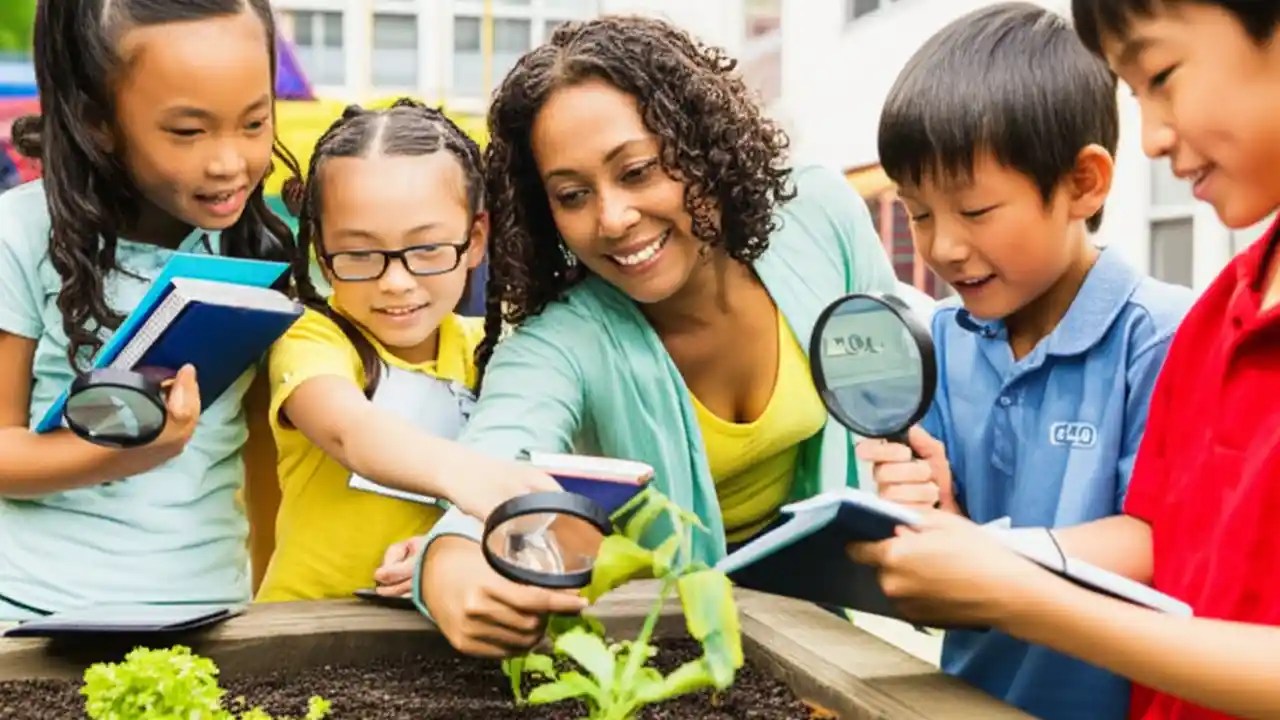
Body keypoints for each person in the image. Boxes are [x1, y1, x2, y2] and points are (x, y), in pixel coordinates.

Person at [386, 15, 902, 658]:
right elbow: (499, 460)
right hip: (664, 650)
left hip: (825, 627)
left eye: (637, 172)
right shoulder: (563, 341)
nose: (613, 218)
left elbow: (897, 362)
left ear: (704, 146)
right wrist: (450, 568)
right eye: (572, 194)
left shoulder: (819, 218)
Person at [848, 2, 1280, 719]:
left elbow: (1155, 544)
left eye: (1163, 75)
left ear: (1082, 184)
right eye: (918, 214)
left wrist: (1006, 575)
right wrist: (935, 531)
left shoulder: (1163, 333)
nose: (943, 247)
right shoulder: (1218, 317)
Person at [0, 0, 302, 620]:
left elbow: (268, 453)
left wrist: (274, 609)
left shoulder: (263, 243)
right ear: (97, 120)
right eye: (188, 132)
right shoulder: (21, 235)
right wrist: (131, 452)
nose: (229, 162)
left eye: (254, 123)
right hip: (30, 616)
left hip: (213, 613)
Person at [255, 99, 558, 603]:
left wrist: (451, 548)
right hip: (302, 632)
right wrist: (466, 475)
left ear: (475, 239)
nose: (396, 282)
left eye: (427, 250)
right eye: (358, 254)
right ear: (322, 254)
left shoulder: (495, 350)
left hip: (437, 631)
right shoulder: (312, 337)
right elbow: (351, 431)